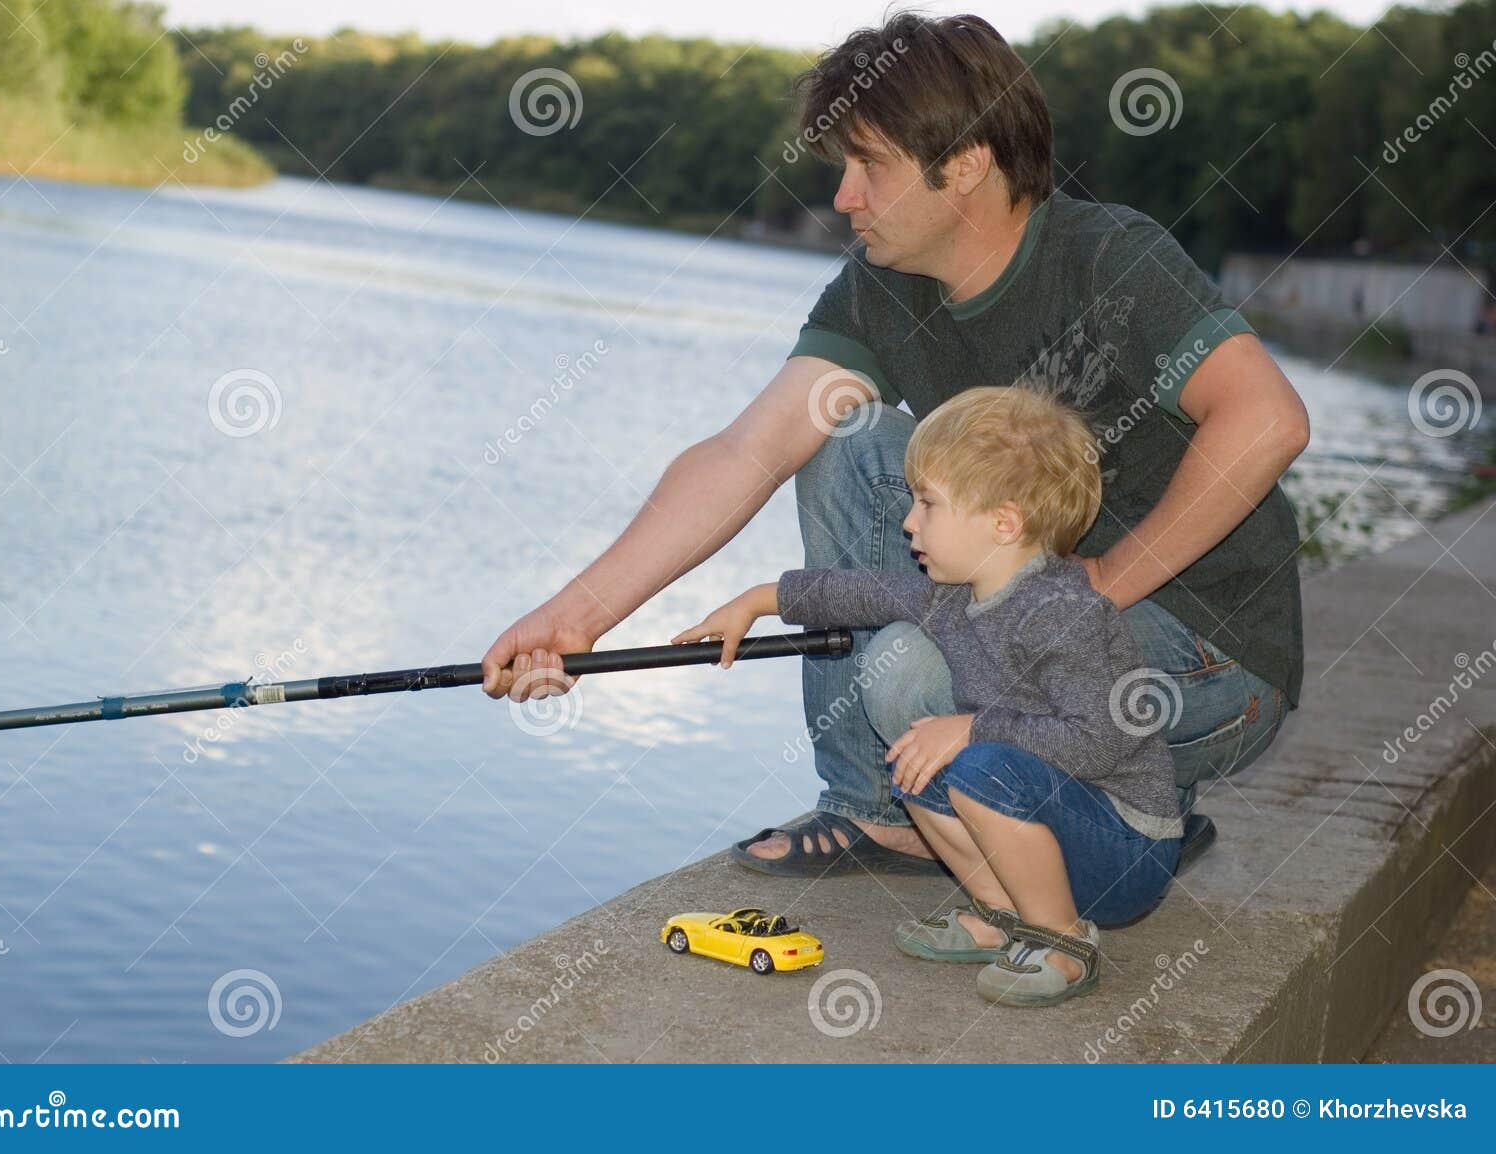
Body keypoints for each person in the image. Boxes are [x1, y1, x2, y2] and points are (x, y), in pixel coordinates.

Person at [480, 12, 1308, 878]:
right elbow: (745, 453)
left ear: (966, 165)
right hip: (1036, 618)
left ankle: (1121, 814)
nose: (844, 197)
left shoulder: (1109, 260)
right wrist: (574, 619)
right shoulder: (882, 289)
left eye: (869, 164)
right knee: (848, 443)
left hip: (1212, 653)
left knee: (912, 672)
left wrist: (1102, 584)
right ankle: (877, 812)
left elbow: (1269, 418)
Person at [673, 386, 1179, 1005]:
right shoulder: (952, 597)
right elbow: (857, 594)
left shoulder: (1061, 612)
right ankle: (1001, 915)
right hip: (1046, 830)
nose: (909, 521)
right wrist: (754, 600)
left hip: (1125, 847)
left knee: (976, 760)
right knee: (914, 761)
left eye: (928, 504)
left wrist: (971, 729)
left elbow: (1099, 743)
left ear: (1004, 522)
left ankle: (1064, 940)